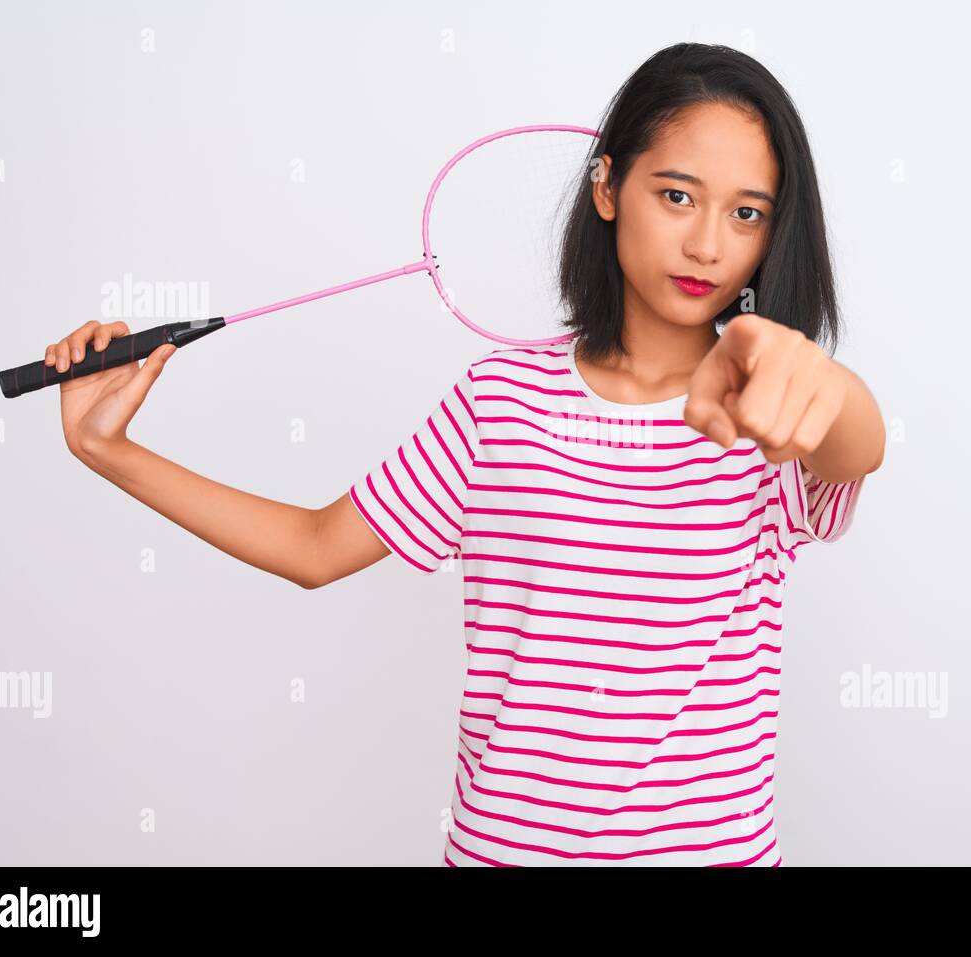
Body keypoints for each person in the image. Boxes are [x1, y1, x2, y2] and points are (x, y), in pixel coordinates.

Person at [43, 42, 885, 866]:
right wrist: (108, 449)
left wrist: (821, 379)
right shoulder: (500, 402)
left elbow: (856, 447)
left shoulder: (774, 405)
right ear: (607, 188)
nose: (708, 243)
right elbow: (314, 548)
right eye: (676, 195)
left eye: (747, 212)